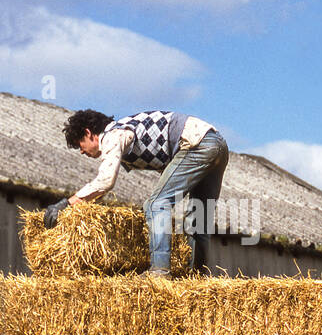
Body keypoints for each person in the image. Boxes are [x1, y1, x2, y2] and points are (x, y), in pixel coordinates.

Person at [50, 109, 230, 276]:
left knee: (156, 204)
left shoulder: (113, 134)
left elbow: (105, 181)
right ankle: (197, 278)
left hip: (197, 144)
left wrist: (67, 203)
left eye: (79, 144)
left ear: (88, 133)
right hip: (216, 143)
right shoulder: (127, 128)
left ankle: (159, 271)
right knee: (199, 217)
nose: (81, 151)